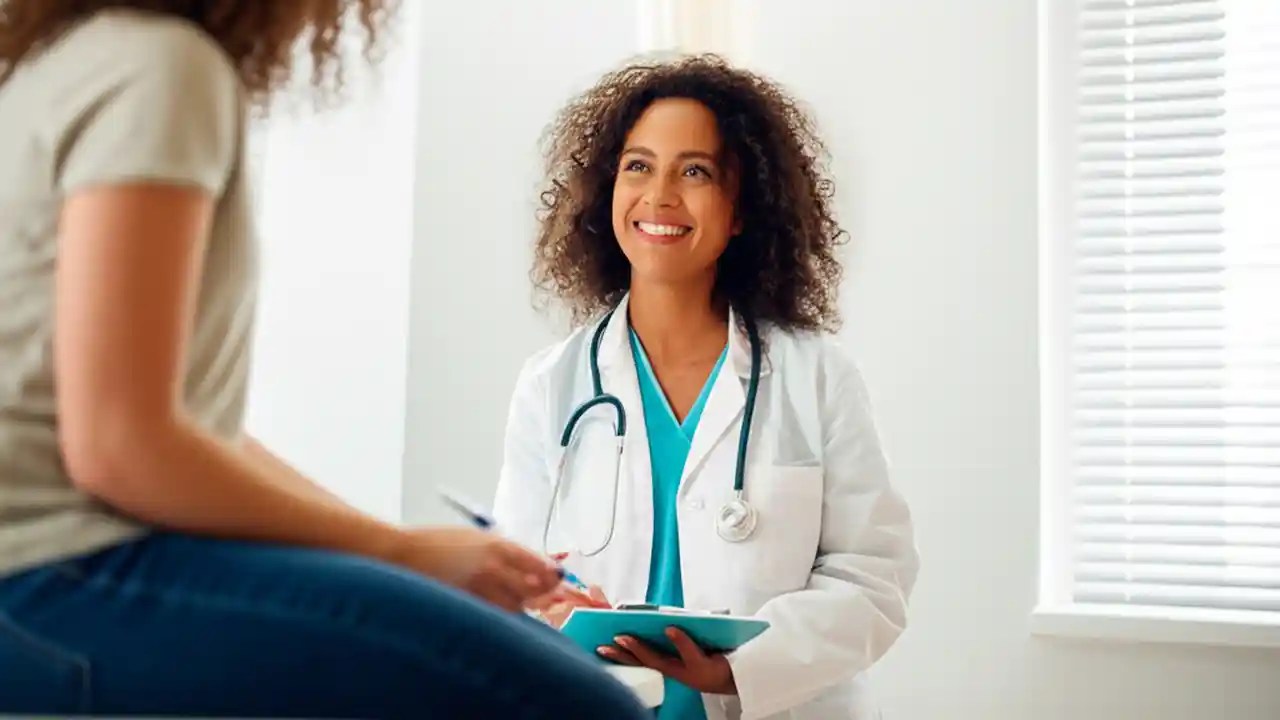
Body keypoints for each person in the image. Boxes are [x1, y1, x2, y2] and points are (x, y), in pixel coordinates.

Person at [0, 3, 649, 718]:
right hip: (55, 574)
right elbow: (122, 447)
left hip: (58, 563)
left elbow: (179, 431)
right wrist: (399, 553)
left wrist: (403, 549)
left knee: (554, 661)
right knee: (587, 706)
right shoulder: (163, 68)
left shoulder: (55, 62)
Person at [492, 54, 920, 720]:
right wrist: (553, 604)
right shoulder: (552, 385)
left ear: (742, 209)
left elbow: (874, 576)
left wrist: (738, 668)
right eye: (638, 166)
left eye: (695, 171)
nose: (660, 196)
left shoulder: (816, 378)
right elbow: (517, 573)